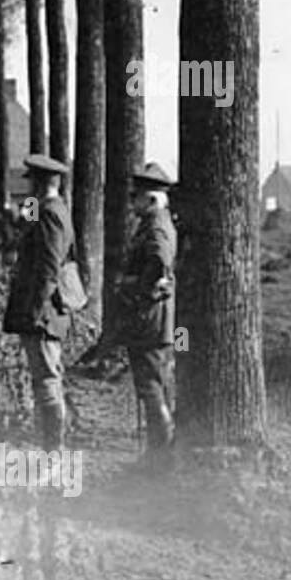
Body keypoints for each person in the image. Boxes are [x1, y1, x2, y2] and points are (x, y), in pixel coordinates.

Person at [3, 154, 76, 448]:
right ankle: (50, 446)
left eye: (32, 181)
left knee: (46, 380)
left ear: (41, 183)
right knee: (43, 379)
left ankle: (53, 451)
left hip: (44, 312)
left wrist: (34, 311)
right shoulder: (48, 209)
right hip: (41, 308)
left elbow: (48, 268)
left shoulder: (50, 213)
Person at [116, 163, 178, 468]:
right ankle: (158, 451)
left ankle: (160, 454)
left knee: (151, 386)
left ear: (151, 200)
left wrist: (138, 290)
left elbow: (158, 263)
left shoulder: (156, 227)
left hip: (150, 319)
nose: (132, 203)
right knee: (151, 384)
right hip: (149, 317)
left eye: (136, 198)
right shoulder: (154, 223)